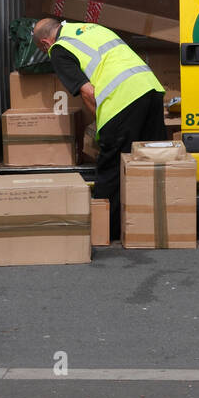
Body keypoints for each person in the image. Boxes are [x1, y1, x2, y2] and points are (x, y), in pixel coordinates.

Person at [33, 17, 167, 240]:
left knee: (111, 166)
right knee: (152, 162)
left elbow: (88, 92)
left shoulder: (58, 49)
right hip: (150, 88)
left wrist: (101, 124)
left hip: (122, 98)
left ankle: (106, 231)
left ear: (45, 43)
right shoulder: (90, 28)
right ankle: (159, 224)